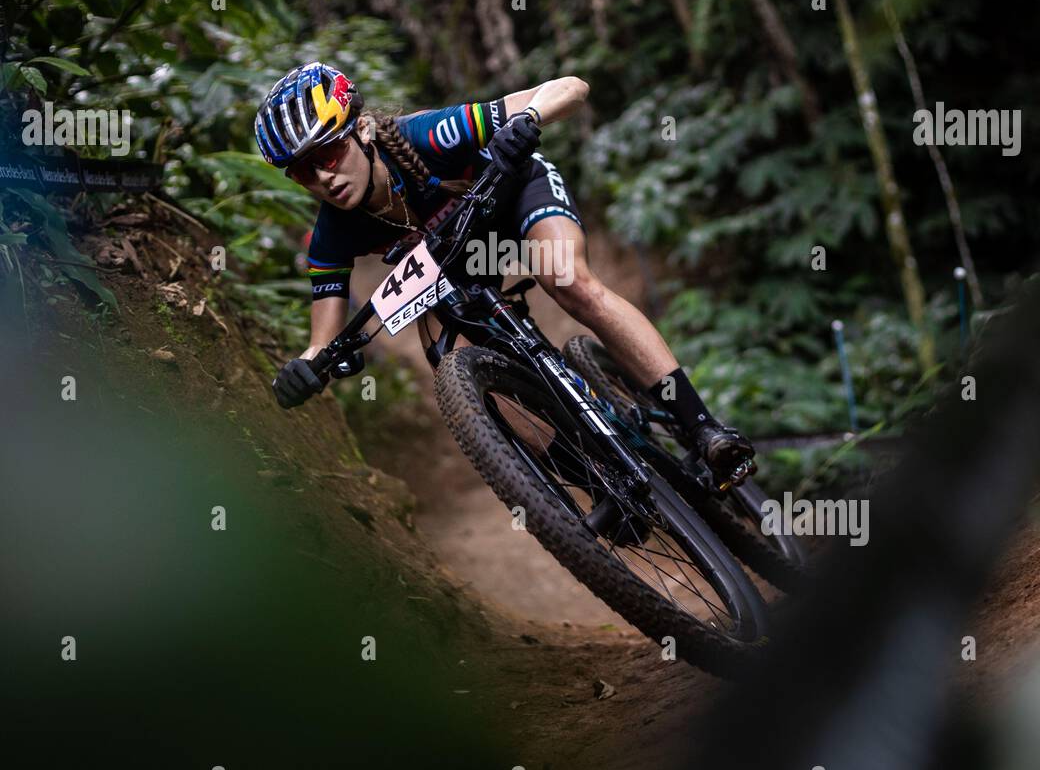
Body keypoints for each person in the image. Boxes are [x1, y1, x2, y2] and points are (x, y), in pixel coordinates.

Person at [255, 62, 755, 486]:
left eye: (328, 153)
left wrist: (528, 120)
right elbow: (321, 339)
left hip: (516, 197)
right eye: (303, 171)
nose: (323, 177)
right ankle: (584, 470)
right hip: (457, 258)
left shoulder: (428, 135)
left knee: (569, 282)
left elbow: (571, 87)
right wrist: (306, 369)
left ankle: (703, 428)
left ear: (361, 130)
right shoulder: (330, 235)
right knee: (448, 359)